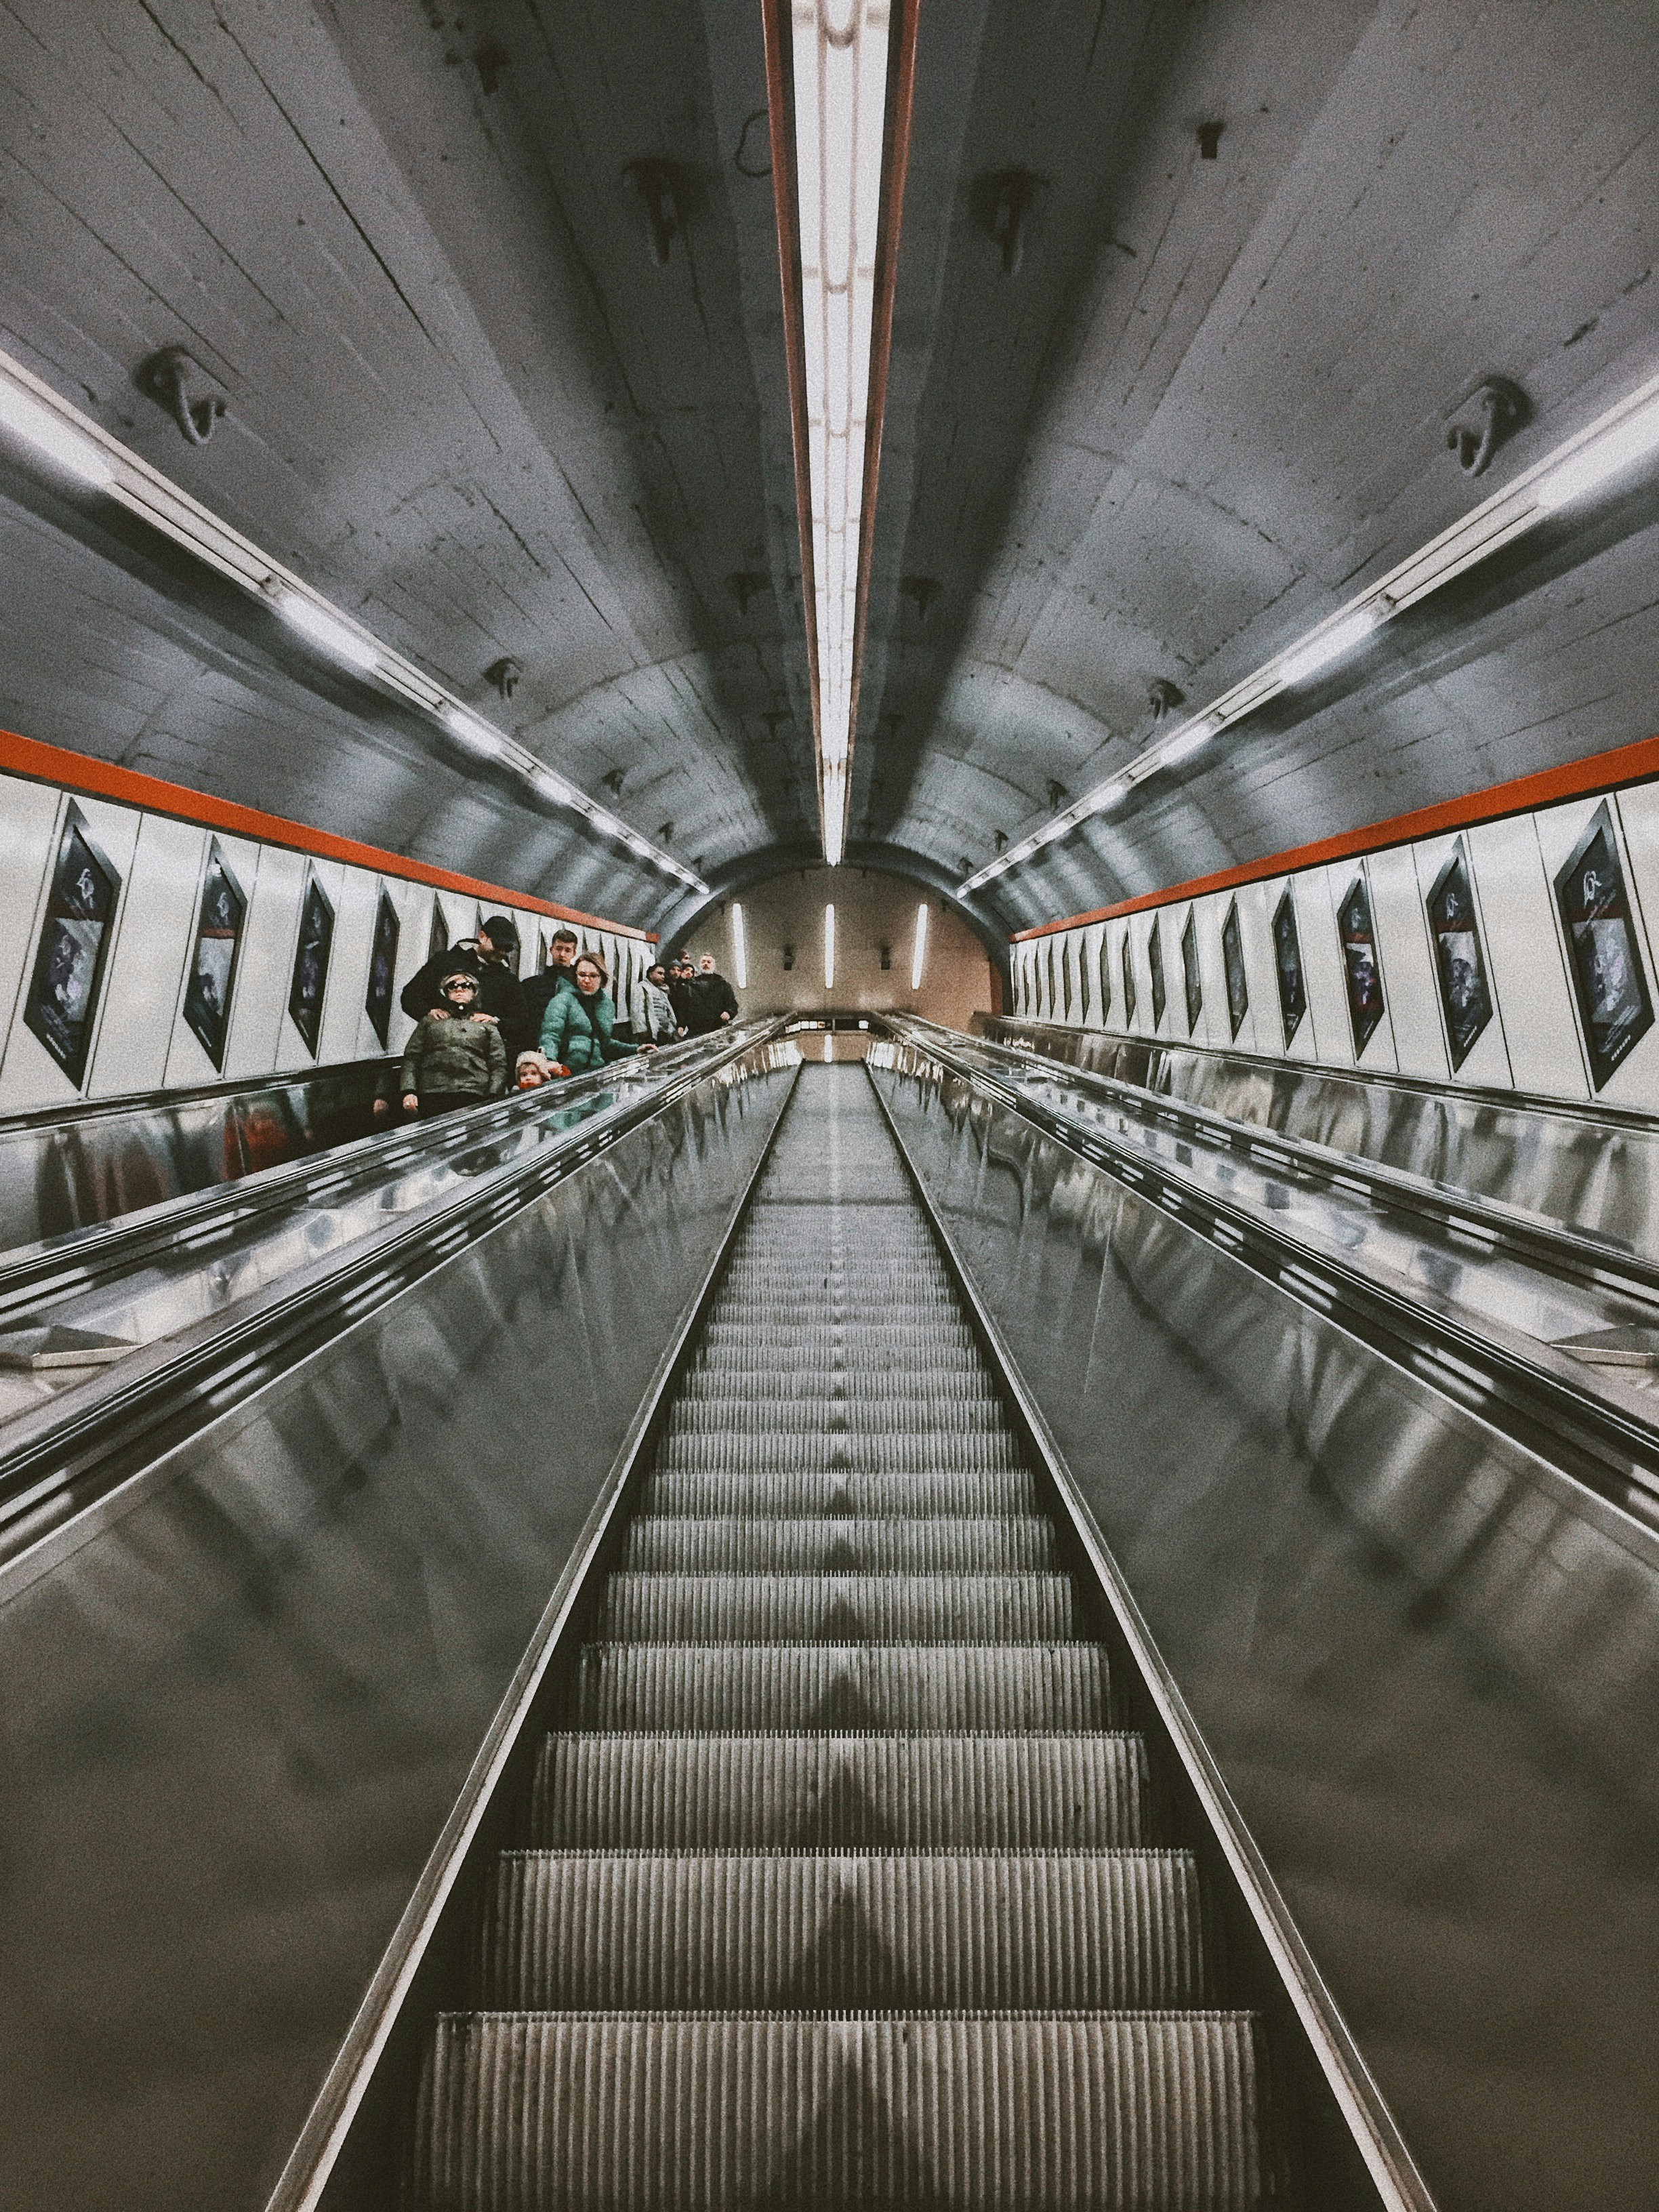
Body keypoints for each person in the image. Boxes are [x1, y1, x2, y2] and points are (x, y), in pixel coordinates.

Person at [399, 914, 532, 1059]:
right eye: (498, 945)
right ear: (482, 937)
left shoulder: (509, 980)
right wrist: (428, 1012)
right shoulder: (444, 962)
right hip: (437, 1054)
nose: (502, 952)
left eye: (507, 948)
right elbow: (410, 996)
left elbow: (522, 1020)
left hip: (480, 1061)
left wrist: (496, 1022)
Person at [400, 971, 507, 1115]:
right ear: (446, 993)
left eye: (466, 986)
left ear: (475, 992)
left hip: (474, 1092)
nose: (459, 990)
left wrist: (493, 1095)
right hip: (432, 1091)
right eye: (452, 986)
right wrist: (409, 1091)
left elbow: (498, 1063)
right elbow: (412, 1058)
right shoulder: (430, 1021)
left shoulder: (486, 1024)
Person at [540, 952, 654, 1073]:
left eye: (593, 976)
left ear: (602, 979)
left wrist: (635, 1050)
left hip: (596, 1072)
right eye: (582, 975)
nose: (587, 980)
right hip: (566, 1073)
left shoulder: (606, 1005)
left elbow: (604, 1043)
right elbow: (550, 1035)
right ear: (575, 976)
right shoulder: (563, 1000)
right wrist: (549, 1060)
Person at [522, 926, 580, 1038]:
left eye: (568, 950)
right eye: (558, 948)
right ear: (551, 950)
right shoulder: (531, 985)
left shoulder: (580, 985)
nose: (562, 954)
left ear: (574, 954)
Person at [680, 950, 739, 1036]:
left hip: (717, 1029)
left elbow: (733, 1005)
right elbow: (684, 1008)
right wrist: (681, 1025)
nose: (706, 964)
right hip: (695, 1031)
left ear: (714, 965)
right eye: (703, 962)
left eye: (709, 962)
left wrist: (729, 1013)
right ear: (699, 965)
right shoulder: (690, 986)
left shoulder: (723, 985)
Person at [626, 958, 680, 1046]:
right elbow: (637, 1012)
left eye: (664, 974)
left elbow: (668, 1011)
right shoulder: (641, 988)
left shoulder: (663, 991)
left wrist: (672, 1027)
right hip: (650, 1034)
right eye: (659, 973)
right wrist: (643, 1033)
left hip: (665, 1033)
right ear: (650, 974)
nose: (663, 977)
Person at [665, 954, 697, 1038]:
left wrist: (681, 1025)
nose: (676, 972)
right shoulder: (665, 986)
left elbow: (682, 1008)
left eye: (678, 970)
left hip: (680, 1023)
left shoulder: (682, 987)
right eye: (673, 969)